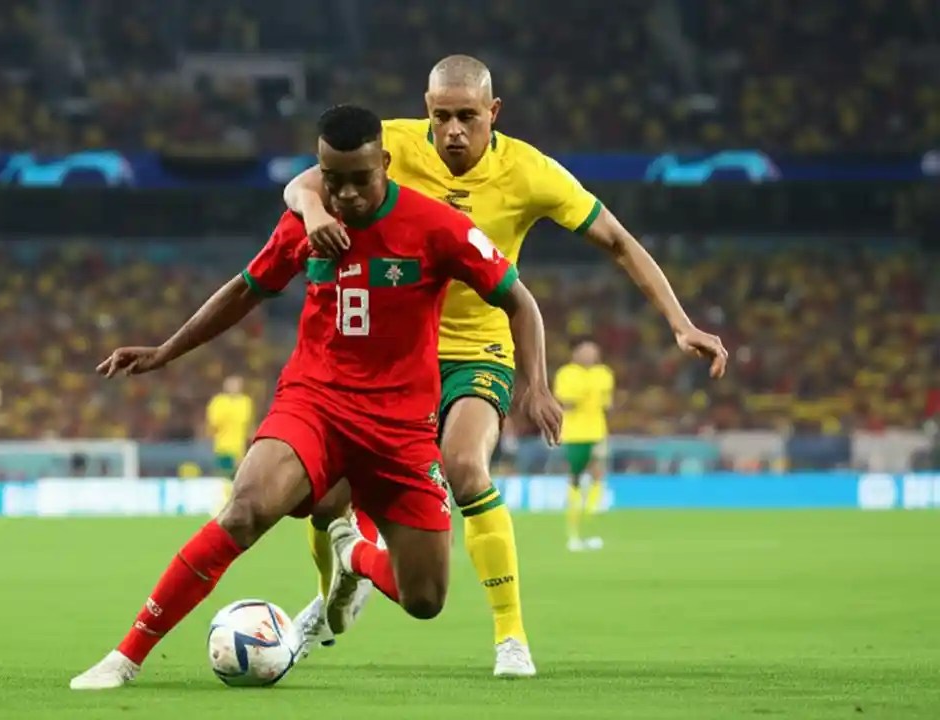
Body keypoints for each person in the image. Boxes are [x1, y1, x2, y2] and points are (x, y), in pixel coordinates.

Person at [69, 104, 562, 691]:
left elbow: (520, 301)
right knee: (245, 510)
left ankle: (352, 553)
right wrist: (165, 351)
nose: (347, 194)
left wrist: (535, 384)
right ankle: (125, 656)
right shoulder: (307, 224)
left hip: (402, 430)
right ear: (318, 171)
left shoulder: (438, 229)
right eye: (333, 179)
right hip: (316, 405)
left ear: (385, 163)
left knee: (424, 598)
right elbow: (245, 290)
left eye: (360, 178)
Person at [283, 54, 729, 676]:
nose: (454, 130)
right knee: (328, 495)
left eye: (468, 116)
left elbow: (619, 241)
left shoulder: (530, 172)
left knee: (464, 466)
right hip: (391, 354)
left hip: (478, 349)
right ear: (426, 112)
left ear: (494, 113)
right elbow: (304, 182)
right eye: (441, 116)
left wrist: (680, 323)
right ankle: (340, 584)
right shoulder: (393, 146)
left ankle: (510, 638)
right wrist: (315, 212)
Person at [554, 340, 614, 551]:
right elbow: (566, 402)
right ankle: (575, 517)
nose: (589, 355)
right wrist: (585, 393)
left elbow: (607, 403)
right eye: (585, 351)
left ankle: (593, 507)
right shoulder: (566, 374)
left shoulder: (604, 373)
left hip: (597, 430)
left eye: (593, 351)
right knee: (576, 475)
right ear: (575, 354)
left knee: (599, 467)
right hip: (575, 434)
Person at [205, 375, 254, 479]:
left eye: (236, 384)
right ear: (225, 386)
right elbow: (213, 425)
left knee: (238, 478)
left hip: (240, 449)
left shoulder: (245, 402)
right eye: (231, 384)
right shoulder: (218, 402)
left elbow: (248, 426)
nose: (234, 387)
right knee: (224, 477)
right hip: (223, 448)